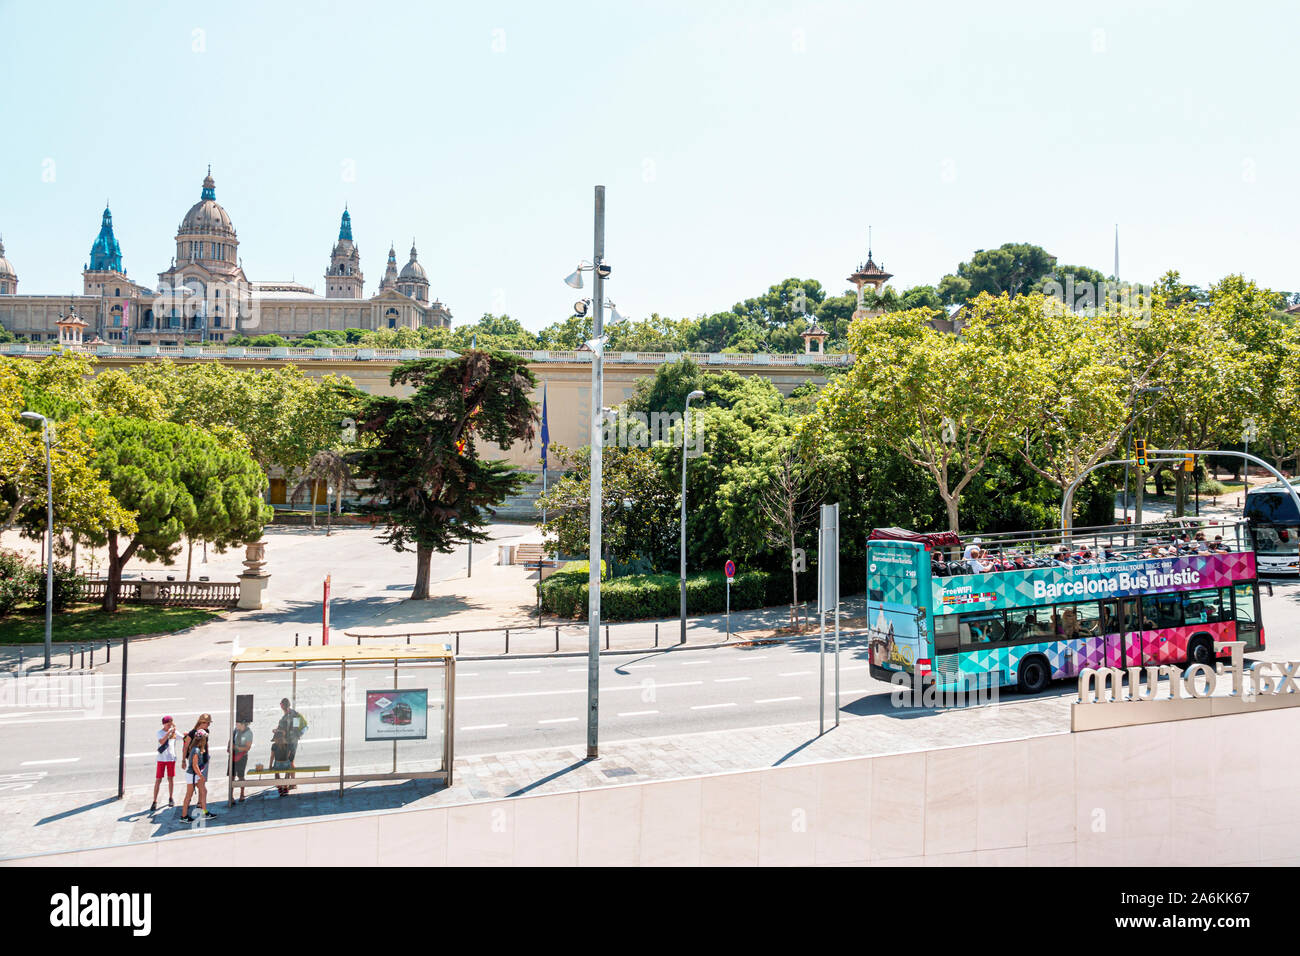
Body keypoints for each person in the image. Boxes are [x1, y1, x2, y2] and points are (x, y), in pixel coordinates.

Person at [180, 713, 213, 819]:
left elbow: (206, 745)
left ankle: (201, 808)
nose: (208, 725)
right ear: (201, 722)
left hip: (202, 763)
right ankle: (185, 815)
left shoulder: (205, 733)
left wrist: (206, 757)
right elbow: (185, 747)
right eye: (206, 723)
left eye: (208, 723)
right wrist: (183, 761)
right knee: (191, 794)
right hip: (195, 768)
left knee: (202, 790)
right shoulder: (193, 735)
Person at [151, 716, 179, 812]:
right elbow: (162, 741)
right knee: (158, 779)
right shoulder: (160, 733)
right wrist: (168, 733)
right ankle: (154, 801)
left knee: (170, 778)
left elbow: (184, 738)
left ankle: (171, 798)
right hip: (161, 759)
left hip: (171, 759)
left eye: (171, 723)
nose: (169, 725)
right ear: (164, 724)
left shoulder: (174, 733)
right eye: (168, 724)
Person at [231, 719, 253, 804]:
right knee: (232, 776)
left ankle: (242, 794)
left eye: (237, 723)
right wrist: (229, 747)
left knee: (241, 776)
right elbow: (231, 739)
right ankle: (231, 796)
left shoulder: (249, 733)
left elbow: (247, 747)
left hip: (242, 756)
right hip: (233, 755)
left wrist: (236, 747)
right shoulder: (235, 730)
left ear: (243, 724)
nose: (236, 724)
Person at [270, 728, 294, 797]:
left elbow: (272, 757)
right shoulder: (288, 744)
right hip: (286, 764)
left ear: (276, 738)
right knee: (288, 770)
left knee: (276, 771)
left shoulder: (274, 745)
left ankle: (280, 788)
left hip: (277, 764)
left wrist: (270, 766)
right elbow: (289, 756)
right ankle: (286, 787)